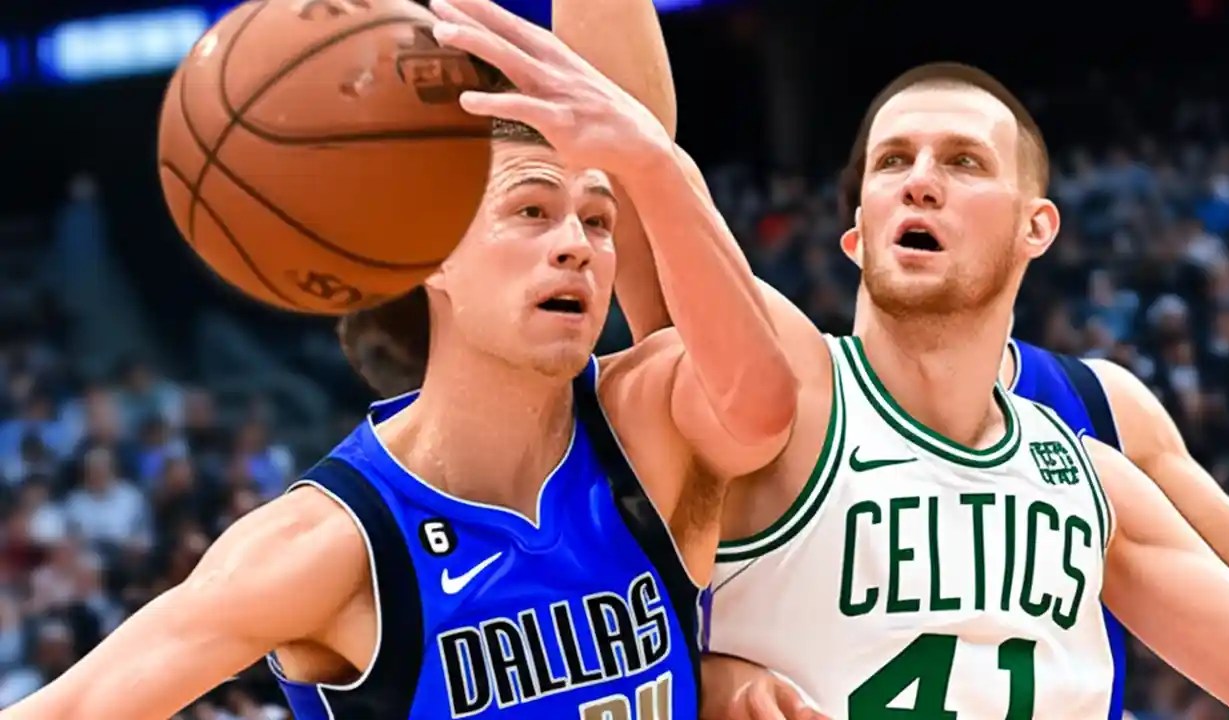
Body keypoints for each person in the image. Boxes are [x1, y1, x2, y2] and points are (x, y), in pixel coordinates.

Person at [2, 0, 796, 718]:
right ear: (432, 255)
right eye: (532, 211)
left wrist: (656, 166)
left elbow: (760, 406)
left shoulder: (642, 424)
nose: (576, 247)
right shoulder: (329, 546)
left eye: (596, 221)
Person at [619, 62, 1229, 719]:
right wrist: (691, 676)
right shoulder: (785, 397)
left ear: (1037, 228)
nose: (920, 183)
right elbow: (632, 167)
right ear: (856, 235)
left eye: (963, 162)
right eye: (892, 162)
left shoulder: (1089, 472)